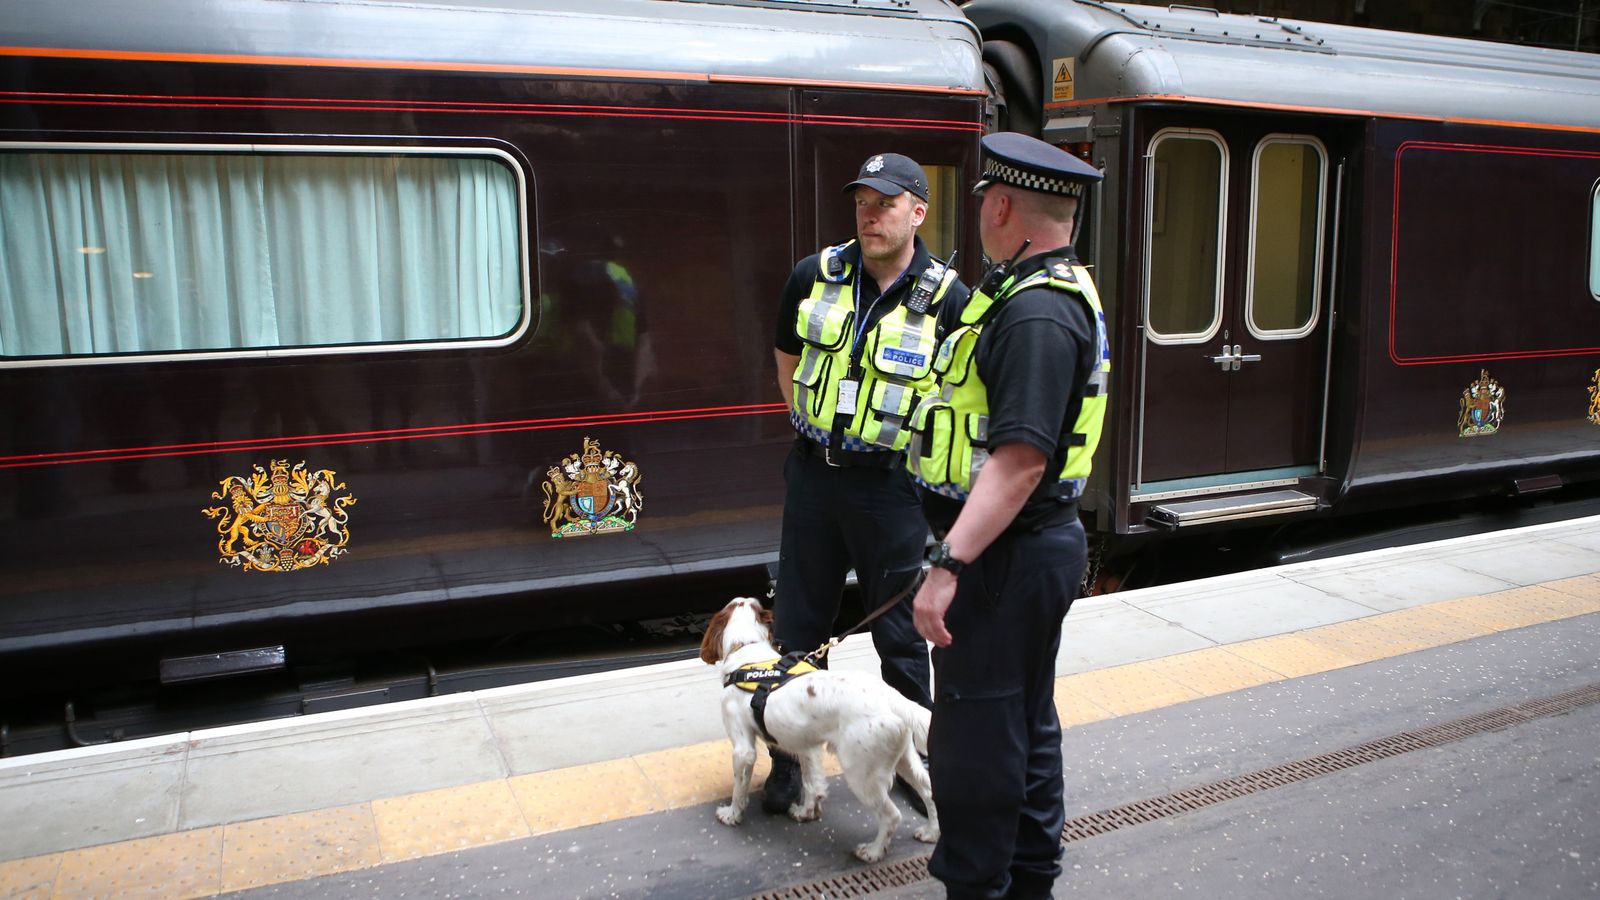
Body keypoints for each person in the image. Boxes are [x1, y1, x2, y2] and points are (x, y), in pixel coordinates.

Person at [907, 132, 1110, 900]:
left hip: (1003, 557)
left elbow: (1019, 463)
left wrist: (946, 566)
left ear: (999, 206)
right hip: (1025, 552)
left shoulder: (1033, 316)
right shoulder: (1044, 292)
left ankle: (982, 886)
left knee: (976, 738)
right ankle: (1028, 882)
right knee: (1024, 722)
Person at [768, 152, 969, 813]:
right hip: (816, 478)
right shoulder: (815, 275)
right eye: (862, 202)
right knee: (798, 628)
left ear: (918, 211)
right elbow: (787, 356)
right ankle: (793, 767)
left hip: (891, 488)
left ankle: (922, 775)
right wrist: (815, 429)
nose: (870, 214)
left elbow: (961, 400)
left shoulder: (949, 298)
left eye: (885, 203)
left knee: (902, 635)